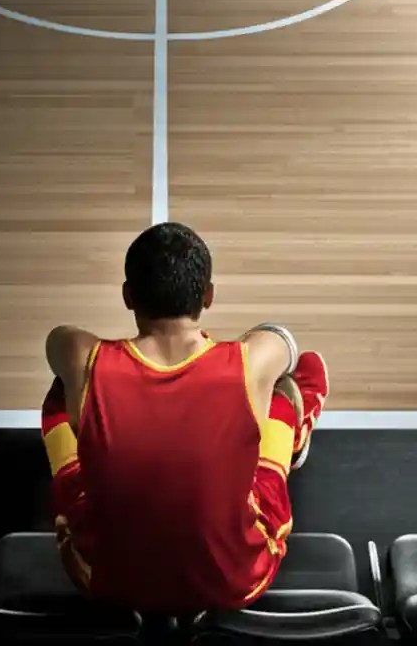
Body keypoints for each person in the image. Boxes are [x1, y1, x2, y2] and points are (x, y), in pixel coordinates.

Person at [39, 221, 328, 615]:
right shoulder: (247, 362)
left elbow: (57, 339)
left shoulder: (83, 357)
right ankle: (286, 445)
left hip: (107, 580)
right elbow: (287, 343)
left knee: (61, 396)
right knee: (303, 378)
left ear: (128, 296)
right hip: (234, 580)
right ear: (208, 296)